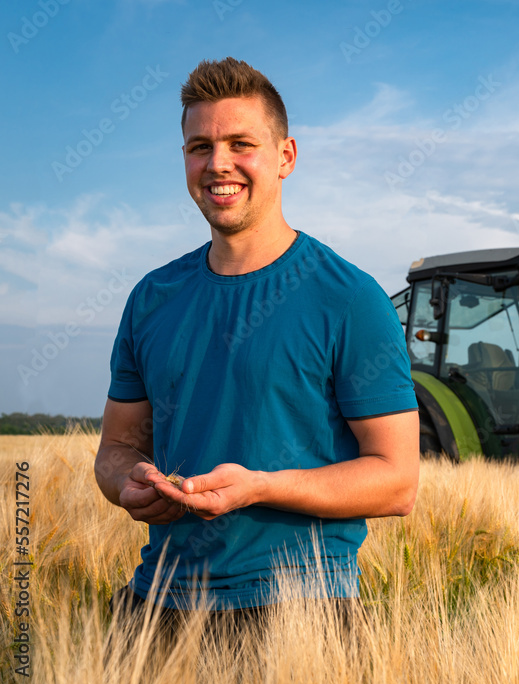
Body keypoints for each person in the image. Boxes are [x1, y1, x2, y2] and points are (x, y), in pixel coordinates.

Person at [93, 57, 419, 627]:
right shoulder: (151, 297)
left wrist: (259, 487)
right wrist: (128, 481)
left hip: (300, 612)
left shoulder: (350, 299)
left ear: (286, 156)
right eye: (200, 147)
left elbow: (397, 482)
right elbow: (116, 448)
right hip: (155, 605)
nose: (218, 164)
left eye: (241, 144)